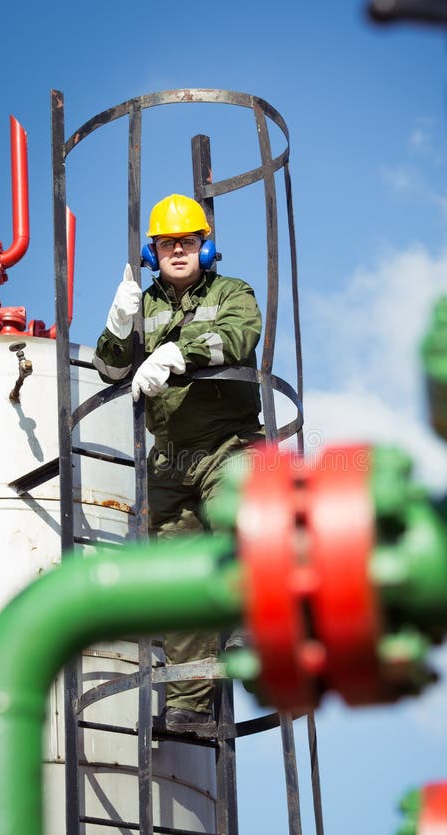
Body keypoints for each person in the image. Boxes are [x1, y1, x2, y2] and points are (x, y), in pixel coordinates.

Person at [93, 193, 263, 729]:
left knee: (239, 518)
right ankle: (188, 701)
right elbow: (109, 371)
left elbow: (240, 335)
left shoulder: (233, 292)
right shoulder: (143, 306)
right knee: (176, 572)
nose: (178, 252)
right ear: (154, 254)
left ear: (205, 248)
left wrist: (176, 352)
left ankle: (250, 624)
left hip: (229, 443)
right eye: (168, 245)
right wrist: (120, 328)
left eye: (187, 242)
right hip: (171, 458)